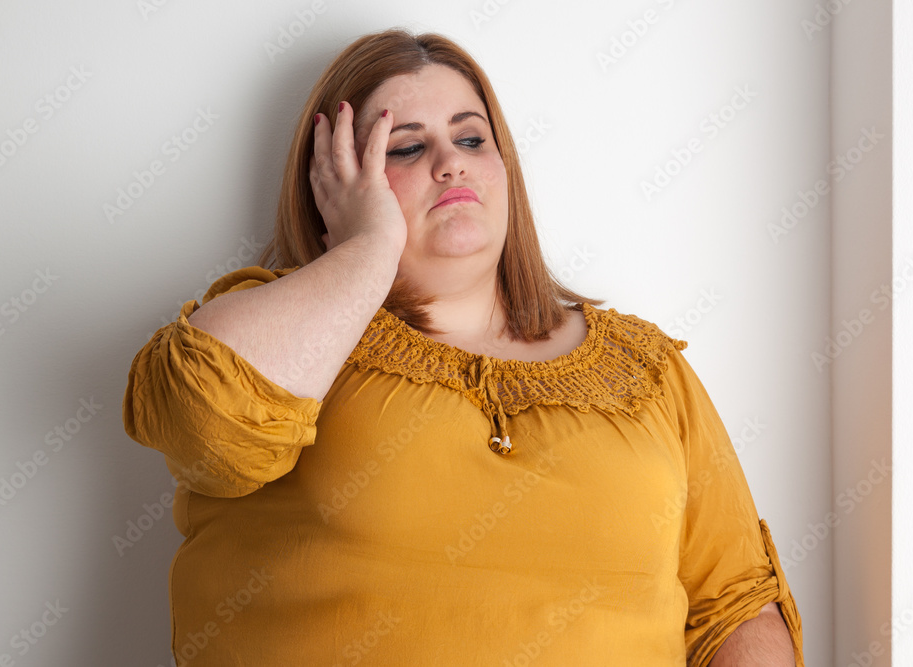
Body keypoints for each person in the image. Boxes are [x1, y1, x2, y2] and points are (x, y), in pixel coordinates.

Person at [122, 27, 804, 666]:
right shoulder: (278, 335)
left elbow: (736, 606)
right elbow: (206, 422)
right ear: (333, 181)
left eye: (472, 139)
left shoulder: (646, 368)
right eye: (405, 148)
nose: (451, 163)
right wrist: (369, 248)